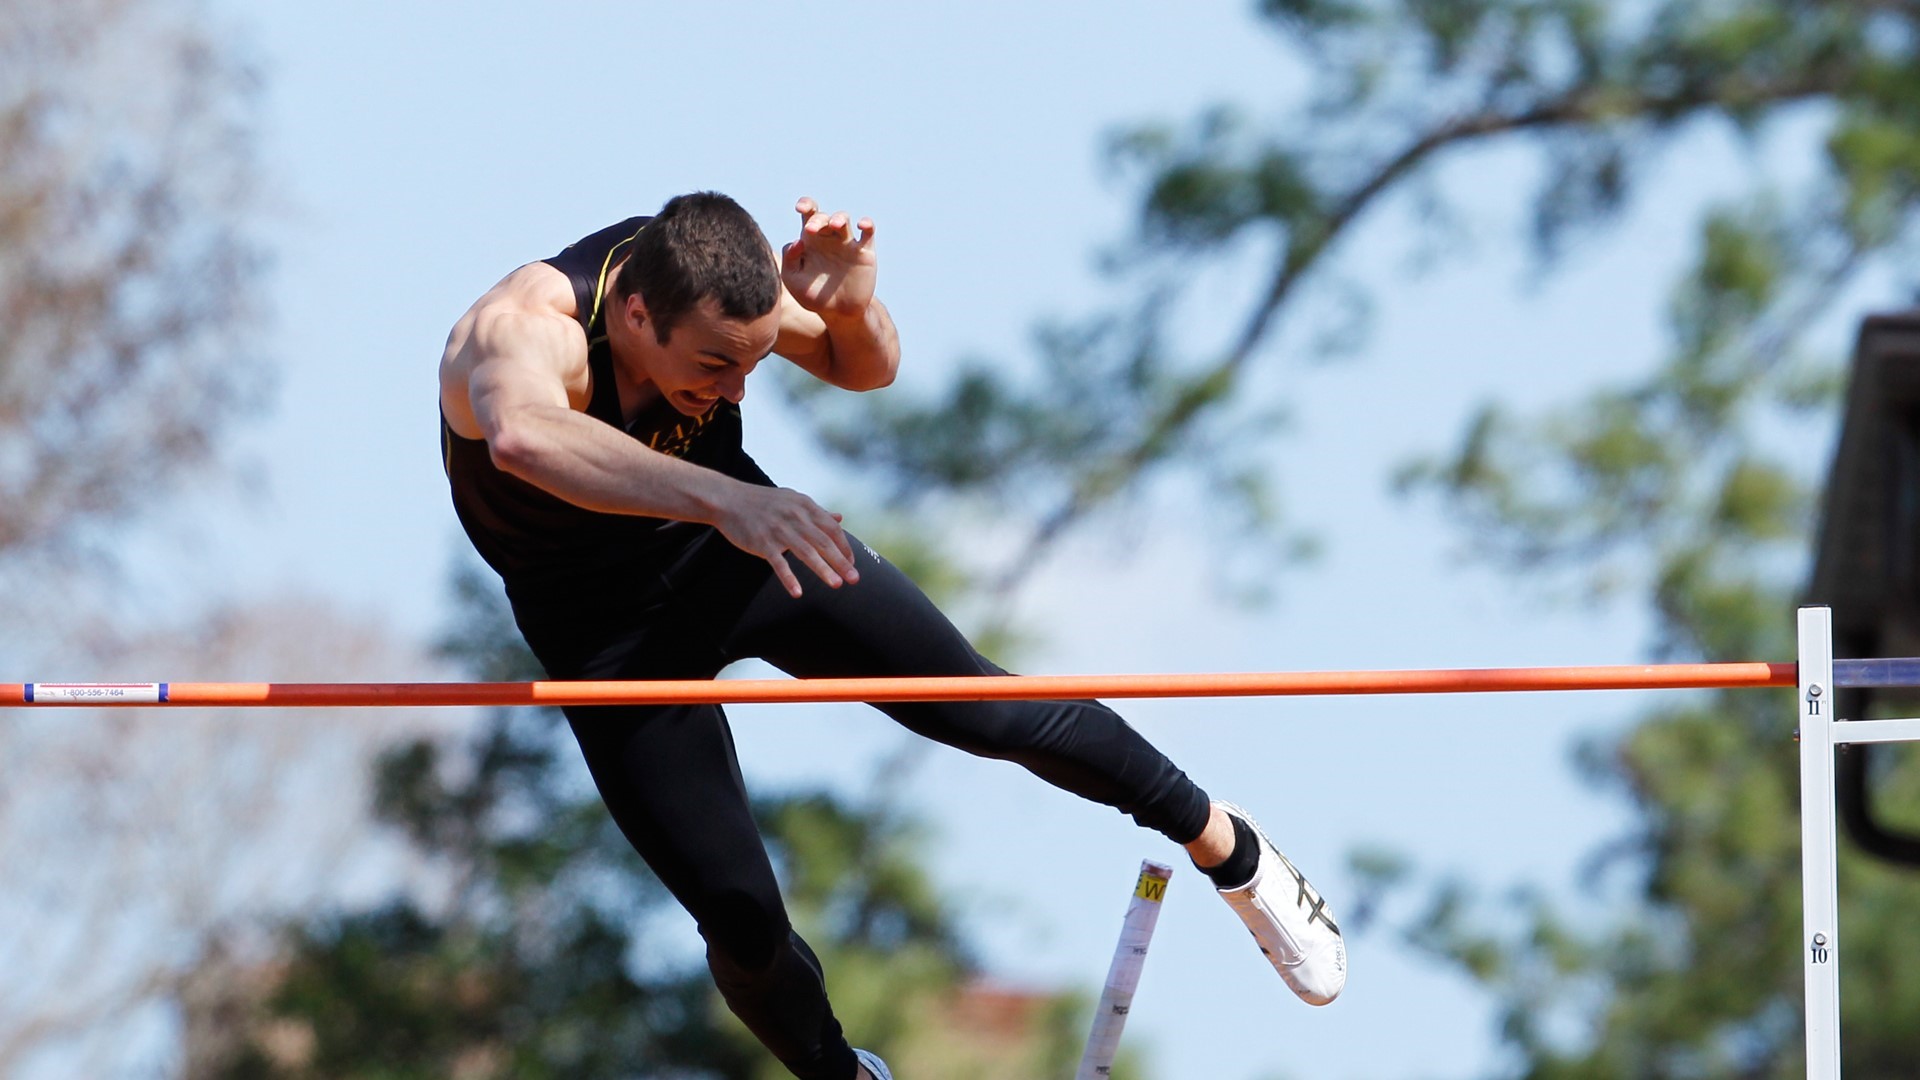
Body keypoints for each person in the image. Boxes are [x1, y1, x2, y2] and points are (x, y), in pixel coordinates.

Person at [437, 191, 1345, 1080]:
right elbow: (522, 436)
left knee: (982, 704)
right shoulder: (527, 326)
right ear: (636, 313)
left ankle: (1233, 848)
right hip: (607, 624)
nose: (733, 390)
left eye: (748, 366)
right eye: (715, 366)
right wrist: (728, 498)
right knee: (740, 918)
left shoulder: (712, 282)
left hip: (745, 549)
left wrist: (856, 309)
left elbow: (862, 367)